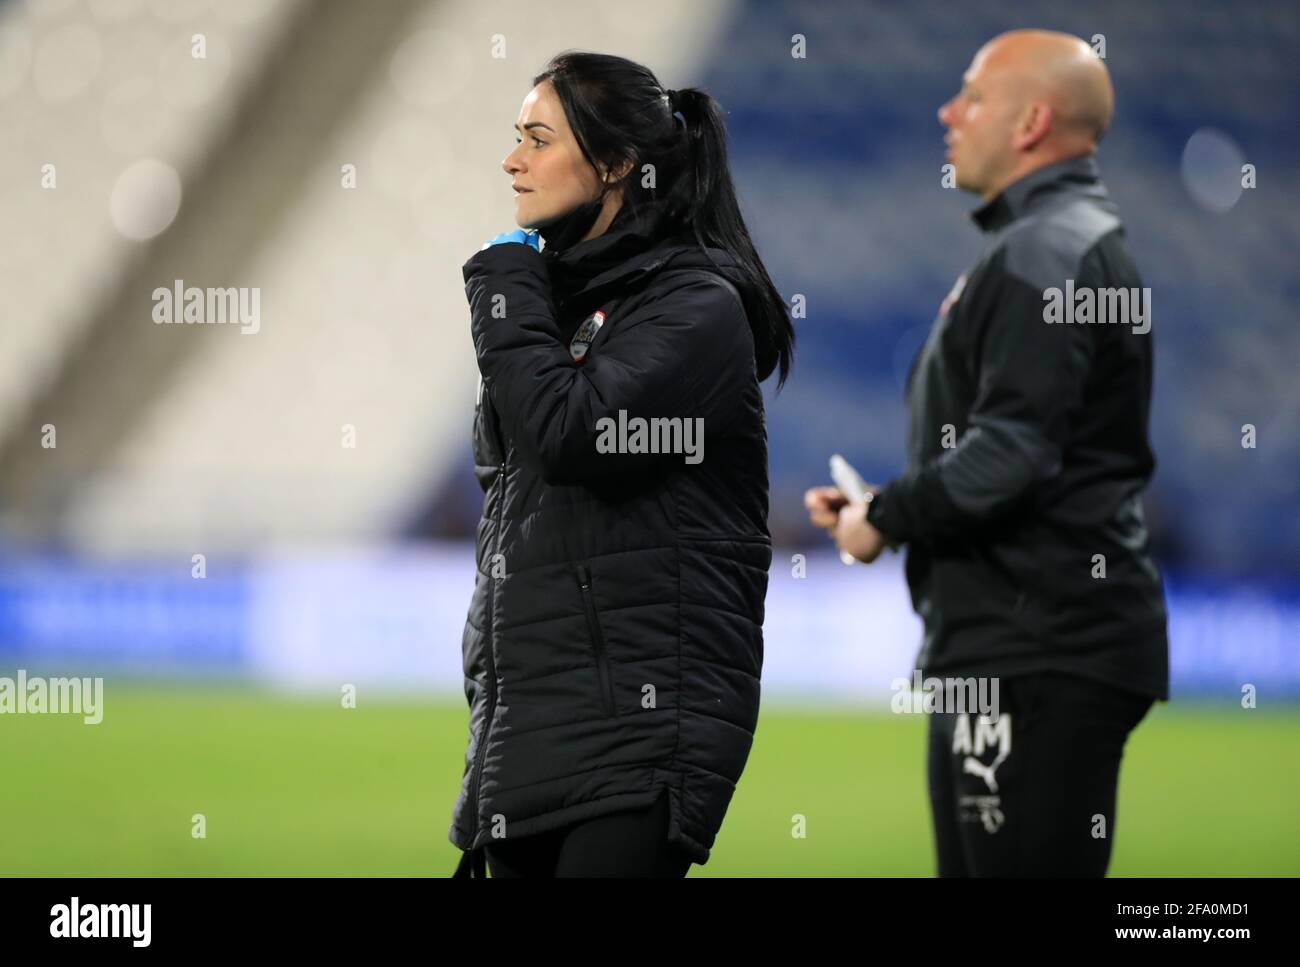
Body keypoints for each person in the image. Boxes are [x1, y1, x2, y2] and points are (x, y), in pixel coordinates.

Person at [805, 30, 1168, 877]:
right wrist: (886, 505)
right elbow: (1023, 445)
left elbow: (1012, 453)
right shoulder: (1056, 242)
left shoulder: (1044, 251)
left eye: (971, 94)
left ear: (1033, 119)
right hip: (1025, 640)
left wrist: (884, 519)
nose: (949, 111)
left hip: (1035, 644)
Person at [450, 51, 794, 877]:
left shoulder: (693, 304)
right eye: (516, 138)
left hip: (638, 733)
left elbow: (574, 435)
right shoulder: (561, 299)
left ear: (613, 166)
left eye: (537, 138)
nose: (512, 159)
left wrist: (503, 284)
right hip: (528, 730)